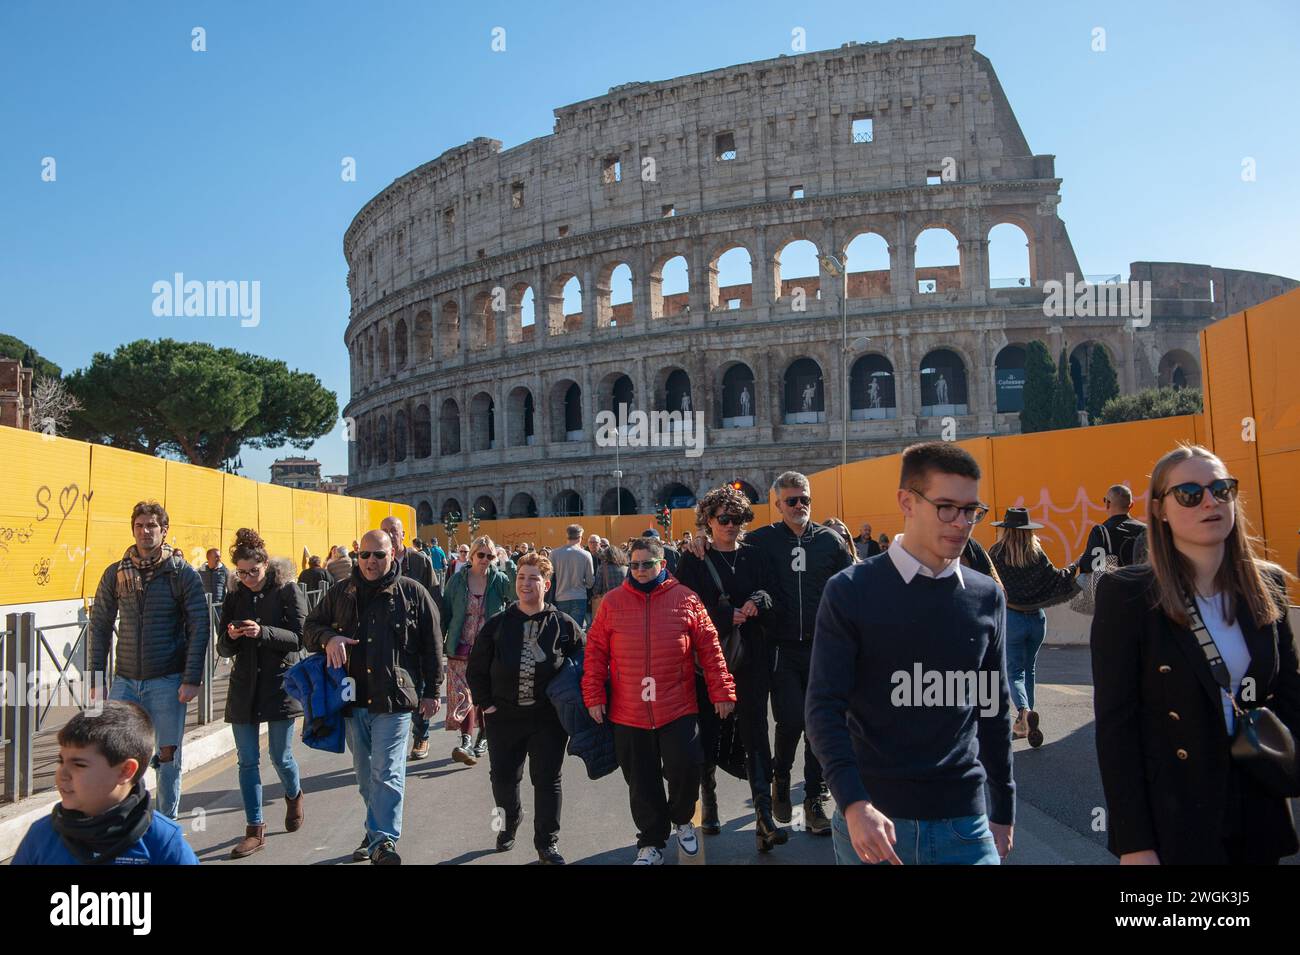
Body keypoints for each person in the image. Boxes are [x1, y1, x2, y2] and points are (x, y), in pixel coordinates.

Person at [807, 441, 1015, 865]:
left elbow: (994, 710)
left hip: (966, 822)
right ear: (907, 502)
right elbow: (823, 707)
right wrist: (852, 803)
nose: (962, 523)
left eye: (972, 510)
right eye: (947, 508)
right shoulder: (850, 591)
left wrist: (1004, 809)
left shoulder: (987, 596)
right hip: (875, 822)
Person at [1092, 443, 1300, 865]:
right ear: (1159, 510)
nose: (1210, 501)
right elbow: (1117, 729)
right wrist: (1134, 843)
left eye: (1222, 489)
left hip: (1257, 806)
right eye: (1189, 493)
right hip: (1176, 815)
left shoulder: (1269, 585)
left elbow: (1292, 696)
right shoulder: (1128, 594)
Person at [583, 537, 736, 864]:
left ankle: (683, 821)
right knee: (641, 781)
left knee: (685, 769)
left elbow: (710, 649)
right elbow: (595, 652)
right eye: (634, 564)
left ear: (662, 565)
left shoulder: (687, 599)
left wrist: (721, 689)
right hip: (629, 711)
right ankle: (650, 841)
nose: (639, 570)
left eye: (647, 564)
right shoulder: (612, 602)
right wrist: (594, 695)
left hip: (677, 706)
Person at [304, 529, 444, 865]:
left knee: (388, 770)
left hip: (395, 699)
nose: (370, 561)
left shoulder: (413, 593)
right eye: (364, 555)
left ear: (393, 554)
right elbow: (308, 628)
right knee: (366, 774)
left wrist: (432, 692)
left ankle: (383, 841)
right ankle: (374, 828)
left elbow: (432, 646)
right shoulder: (341, 592)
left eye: (378, 555)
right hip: (352, 702)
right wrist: (329, 639)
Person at [733, 472, 852, 833]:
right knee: (791, 720)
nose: (799, 506)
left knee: (819, 726)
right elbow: (727, 557)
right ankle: (780, 778)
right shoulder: (760, 542)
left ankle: (814, 799)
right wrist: (697, 546)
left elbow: (853, 587)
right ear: (778, 504)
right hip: (780, 648)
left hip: (822, 648)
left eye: (805, 500)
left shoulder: (830, 542)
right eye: (792, 500)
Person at [675, 484, 787, 851]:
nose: (731, 525)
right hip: (708, 660)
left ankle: (764, 817)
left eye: (737, 518)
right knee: (707, 731)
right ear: (708, 520)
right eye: (723, 518)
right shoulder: (693, 559)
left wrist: (758, 600)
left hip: (751, 658)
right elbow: (686, 606)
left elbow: (774, 594)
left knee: (756, 733)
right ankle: (708, 800)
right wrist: (727, 614)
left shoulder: (756, 557)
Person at [87, 501, 210, 820]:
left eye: (152, 525)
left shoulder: (181, 573)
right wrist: (96, 682)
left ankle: (166, 823)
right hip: (125, 681)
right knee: (118, 755)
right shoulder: (115, 573)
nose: (145, 531)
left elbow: (199, 624)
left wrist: (191, 678)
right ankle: (128, 821)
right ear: (133, 529)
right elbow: (99, 625)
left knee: (166, 757)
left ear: (164, 530)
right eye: (140, 525)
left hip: (168, 681)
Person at [467, 553, 583, 864]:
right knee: (501, 779)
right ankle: (507, 823)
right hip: (503, 717)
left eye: (533, 578)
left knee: (547, 780)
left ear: (547, 584)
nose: (525, 584)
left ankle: (547, 842)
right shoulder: (497, 625)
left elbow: (584, 663)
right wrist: (486, 704)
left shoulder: (563, 626)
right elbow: (476, 668)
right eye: (521, 577)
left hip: (548, 718)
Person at [12, 702, 198, 865]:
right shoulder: (41, 836)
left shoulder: (163, 841)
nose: (63, 774)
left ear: (125, 771)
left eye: (79, 764)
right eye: (61, 761)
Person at [218, 528, 308, 858]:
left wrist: (263, 632)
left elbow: (301, 638)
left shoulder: (286, 589)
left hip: (280, 684)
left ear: (265, 564)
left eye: (253, 572)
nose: (247, 578)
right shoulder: (234, 593)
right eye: (240, 573)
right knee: (247, 761)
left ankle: (294, 792)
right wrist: (231, 635)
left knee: (280, 756)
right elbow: (223, 647)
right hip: (244, 686)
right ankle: (255, 828)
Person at [988, 508, 1080, 748]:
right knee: (1029, 669)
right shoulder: (1036, 553)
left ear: (1005, 529)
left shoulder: (996, 554)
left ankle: (1024, 711)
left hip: (1013, 618)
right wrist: (1075, 566)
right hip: (1037, 619)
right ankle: (1022, 725)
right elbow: (1056, 578)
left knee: (1014, 671)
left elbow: (988, 586)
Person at [443, 535, 513, 765]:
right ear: (472, 555)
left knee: (484, 694)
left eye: (490, 556)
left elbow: (514, 597)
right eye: (481, 555)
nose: (485, 559)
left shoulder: (500, 579)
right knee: (463, 695)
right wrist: (439, 644)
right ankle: (465, 741)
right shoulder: (456, 581)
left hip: (488, 647)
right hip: (460, 645)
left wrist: (508, 563)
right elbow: (446, 612)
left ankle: (483, 736)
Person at [383, 516, 444, 762]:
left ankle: (421, 735)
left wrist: (435, 632)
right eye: (384, 531)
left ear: (403, 534)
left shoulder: (420, 561)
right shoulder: (377, 559)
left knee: (418, 689)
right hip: (389, 640)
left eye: (393, 531)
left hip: (416, 637)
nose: (389, 535)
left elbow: (435, 597)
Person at [1082, 483, 1149, 569]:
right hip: (1142, 581)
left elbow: (1088, 566)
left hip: (1113, 581)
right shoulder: (1145, 530)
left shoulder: (1100, 532)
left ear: (1107, 504)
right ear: (1131, 505)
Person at [551, 524, 595, 627]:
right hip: (579, 596)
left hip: (560, 597)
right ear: (580, 537)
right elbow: (590, 581)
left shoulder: (554, 553)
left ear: (567, 536)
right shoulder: (586, 554)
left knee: (562, 631)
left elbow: (549, 576)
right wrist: (584, 584)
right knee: (576, 631)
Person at [591, 543, 628, 620]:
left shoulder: (602, 568)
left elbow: (596, 590)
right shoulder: (626, 569)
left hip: (608, 603)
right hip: (624, 604)